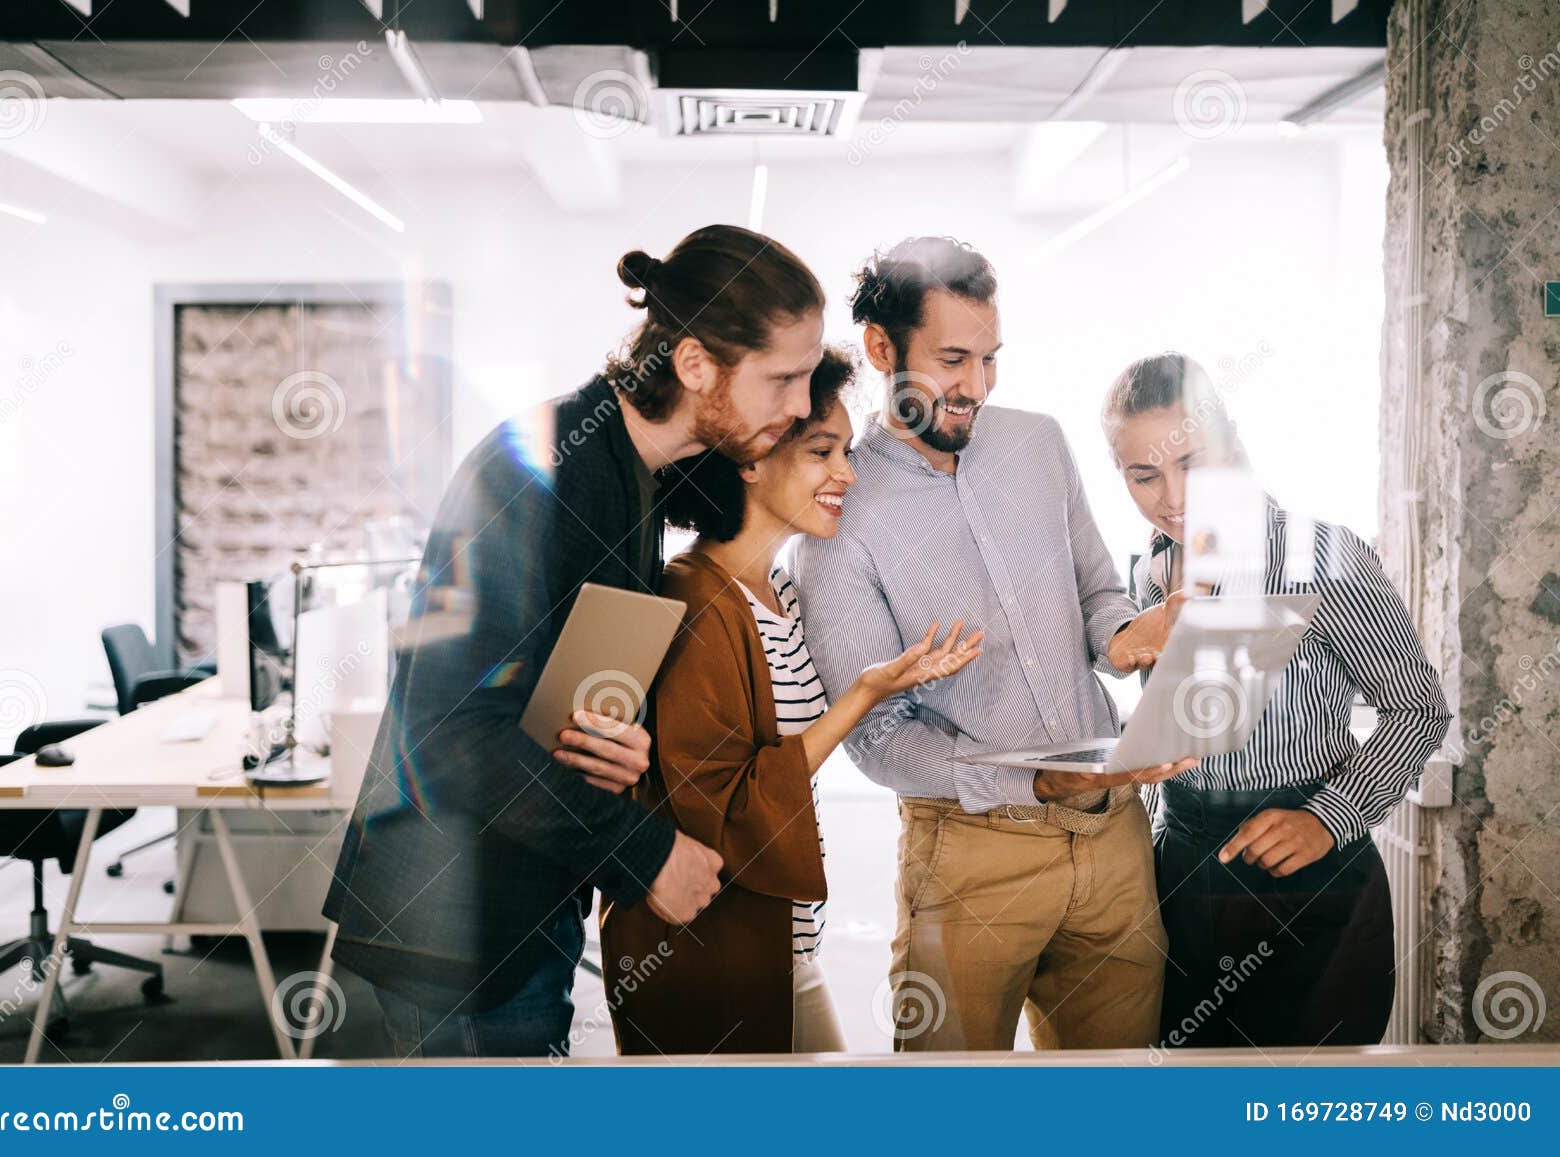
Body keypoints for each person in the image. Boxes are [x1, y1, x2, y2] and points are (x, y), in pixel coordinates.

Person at [322, 224, 830, 1059]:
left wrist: (609, 736)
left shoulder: (631, 471)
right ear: (696, 364)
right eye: (783, 378)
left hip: (523, 905)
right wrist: (647, 850)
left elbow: (529, 695)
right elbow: (448, 735)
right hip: (456, 935)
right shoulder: (538, 470)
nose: (801, 404)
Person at [792, 237, 1192, 1053]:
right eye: (951, 359)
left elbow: (1095, 589)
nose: (975, 385)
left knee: (1117, 1112)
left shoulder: (1039, 443)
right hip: (972, 857)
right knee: (952, 1117)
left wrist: (1124, 638)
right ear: (880, 349)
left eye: (990, 357)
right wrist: (1027, 779)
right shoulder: (836, 521)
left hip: (1114, 837)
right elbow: (874, 738)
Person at [602, 347, 983, 1055]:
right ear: (749, 458)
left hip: (782, 947)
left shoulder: (777, 591)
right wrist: (864, 692)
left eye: (845, 451)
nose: (847, 471)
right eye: (821, 451)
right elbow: (720, 803)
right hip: (706, 956)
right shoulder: (694, 598)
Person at [1102, 351, 1450, 1049]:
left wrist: (1328, 818)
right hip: (1181, 877)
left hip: (1314, 878)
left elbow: (1418, 708)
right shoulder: (1151, 570)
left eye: (1191, 463)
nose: (1171, 497)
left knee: (1304, 1114)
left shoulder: (1327, 555)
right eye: (1144, 475)